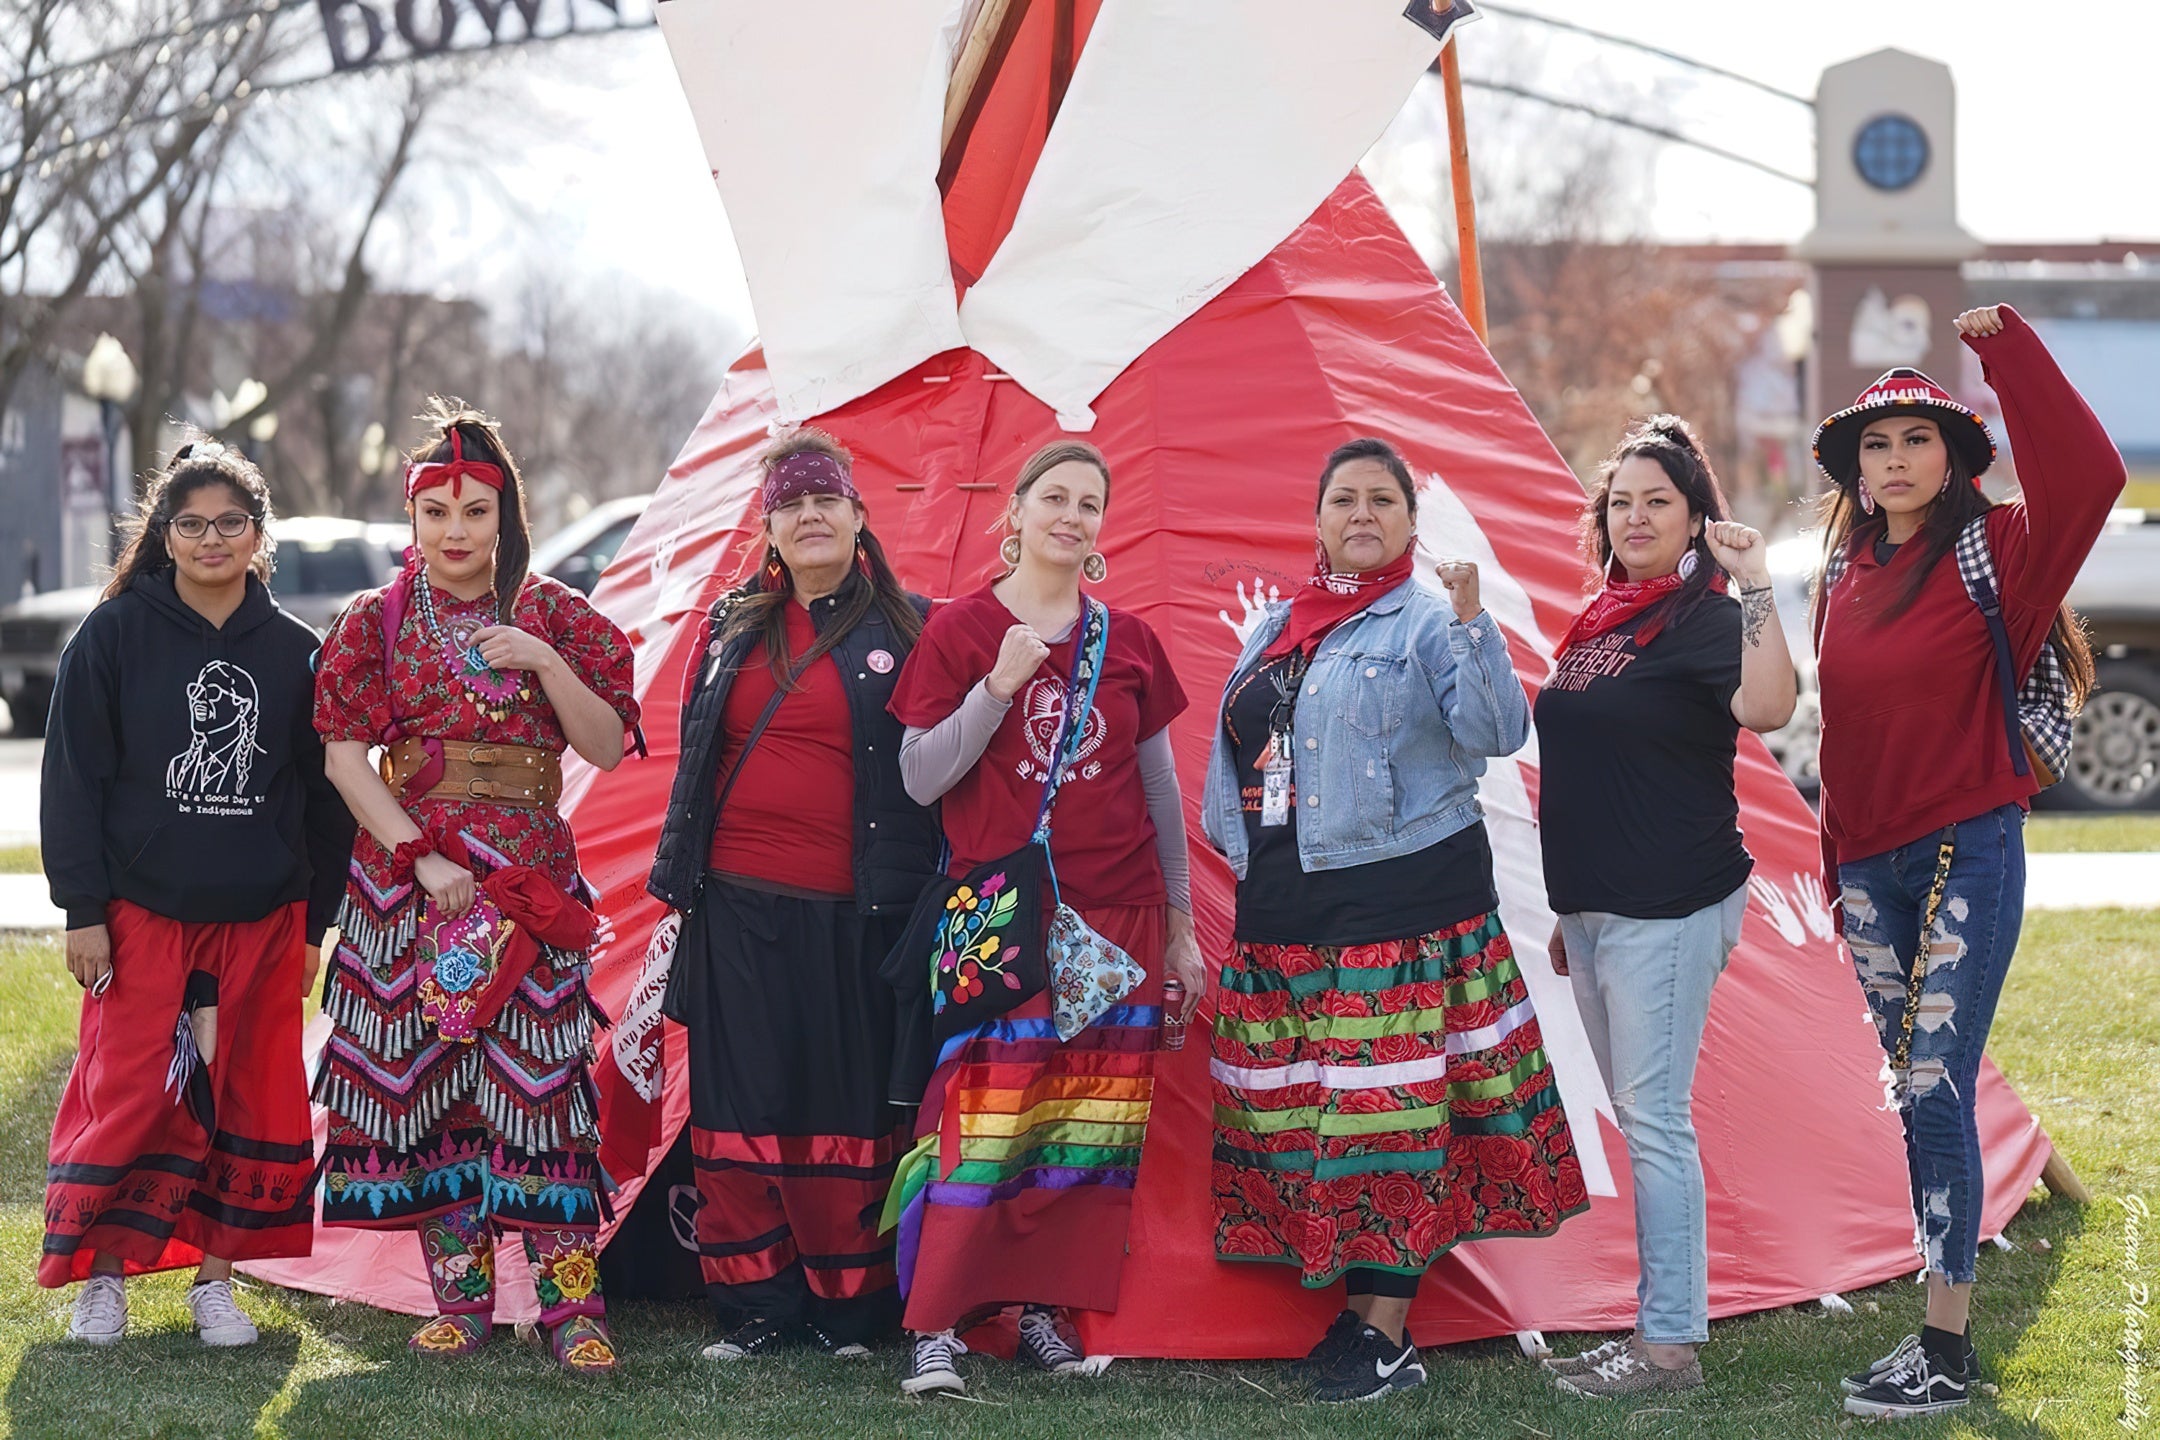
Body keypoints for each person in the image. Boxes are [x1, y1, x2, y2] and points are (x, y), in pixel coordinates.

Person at [1199, 436, 1589, 1404]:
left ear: (1413, 523)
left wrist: (1471, 622)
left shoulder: (1426, 620)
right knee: (1316, 1133)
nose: (1362, 514)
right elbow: (1230, 770)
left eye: (1383, 499)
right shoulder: (1280, 627)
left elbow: (1498, 732)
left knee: (1396, 1127)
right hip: (1289, 920)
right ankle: (1361, 1322)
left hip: (1402, 920)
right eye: (1344, 499)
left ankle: (1383, 1332)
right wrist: (1248, 874)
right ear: (1318, 517)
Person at [1812, 306, 2119, 1420]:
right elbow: (1846, 740)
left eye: (1916, 441)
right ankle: (1933, 1340)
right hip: (1864, 875)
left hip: (1965, 853)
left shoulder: (2000, 552)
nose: (1893, 461)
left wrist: (2008, 354)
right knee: (1915, 1094)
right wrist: (1834, 859)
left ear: (1956, 457)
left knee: (1937, 1085)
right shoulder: (1842, 573)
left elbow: (2091, 474)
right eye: (1875, 446)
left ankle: (1945, 1350)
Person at [310, 401, 640, 1373]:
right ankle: (460, 1299)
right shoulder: (375, 625)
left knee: (539, 1089)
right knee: (431, 1094)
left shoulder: (556, 616)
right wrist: (422, 855)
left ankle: (571, 1308)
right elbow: (343, 760)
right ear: (412, 522)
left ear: (507, 518)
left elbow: (608, 746)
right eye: (437, 513)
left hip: (530, 885)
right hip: (412, 887)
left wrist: (543, 663)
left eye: (475, 513)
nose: (456, 533)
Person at [883, 440, 1202, 1397]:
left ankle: (1037, 1314)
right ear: (1014, 513)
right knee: (975, 1117)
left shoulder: (1131, 641)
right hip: (1000, 916)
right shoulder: (962, 629)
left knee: (1082, 1122)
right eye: (1054, 497)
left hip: (1119, 917)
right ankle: (935, 1324)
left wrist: (1180, 921)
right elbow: (921, 778)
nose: (1072, 514)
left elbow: (1159, 791)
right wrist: (998, 687)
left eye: (1090, 503)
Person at [38, 439, 354, 1346]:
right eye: (191, 524)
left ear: (259, 537)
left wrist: (313, 928)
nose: (211, 539)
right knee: (131, 1091)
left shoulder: (299, 653)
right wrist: (84, 911)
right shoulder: (112, 636)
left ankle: (216, 1284)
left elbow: (327, 804)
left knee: (251, 1097)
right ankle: (106, 1281)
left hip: (261, 920)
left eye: (230, 523)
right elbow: (73, 780)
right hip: (142, 916)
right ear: (164, 536)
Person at [645, 429, 942, 1360]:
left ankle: (850, 1313)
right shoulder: (731, 626)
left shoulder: (912, 628)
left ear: (859, 517)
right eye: (791, 504)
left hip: (860, 911)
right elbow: (697, 762)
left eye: (827, 500)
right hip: (735, 903)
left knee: (846, 1108)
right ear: (769, 527)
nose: (810, 516)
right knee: (740, 1107)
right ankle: (757, 1311)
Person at [1530, 416, 1797, 1399]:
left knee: (1653, 1122)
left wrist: (1758, 580)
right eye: (1622, 500)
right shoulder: (1604, 618)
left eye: (1658, 502)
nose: (1635, 516)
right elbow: (1595, 765)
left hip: (1670, 902)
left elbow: (1771, 708)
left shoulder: (1708, 617)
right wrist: (1573, 904)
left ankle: (1669, 1346)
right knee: (1640, 1116)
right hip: (1599, 909)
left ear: (1694, 521)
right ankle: (1655, 1328)